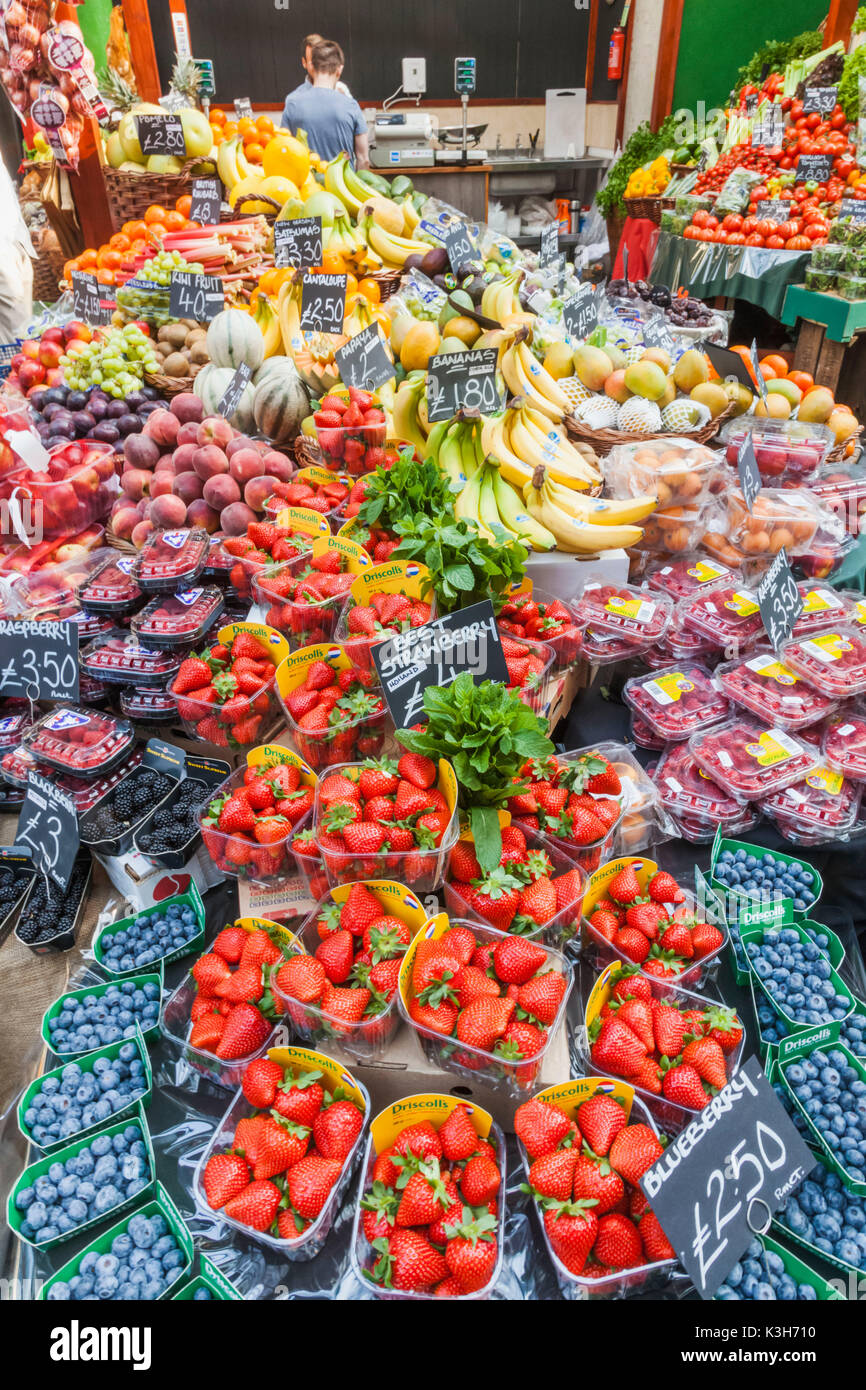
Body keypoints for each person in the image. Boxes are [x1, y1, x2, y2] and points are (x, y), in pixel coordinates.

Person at [280, 40, 369, 167]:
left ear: (312, 66)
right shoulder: (351, 106)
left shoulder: (292, 104)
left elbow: (283, 151)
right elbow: (363, 159)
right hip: (341, 186)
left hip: (306, 186)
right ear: (339, 69)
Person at [294, 32, 352, 98]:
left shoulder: (341, 90)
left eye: (321, 60)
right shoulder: (297, 98)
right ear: (304, 62)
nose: (318, 66)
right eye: (313, 62)